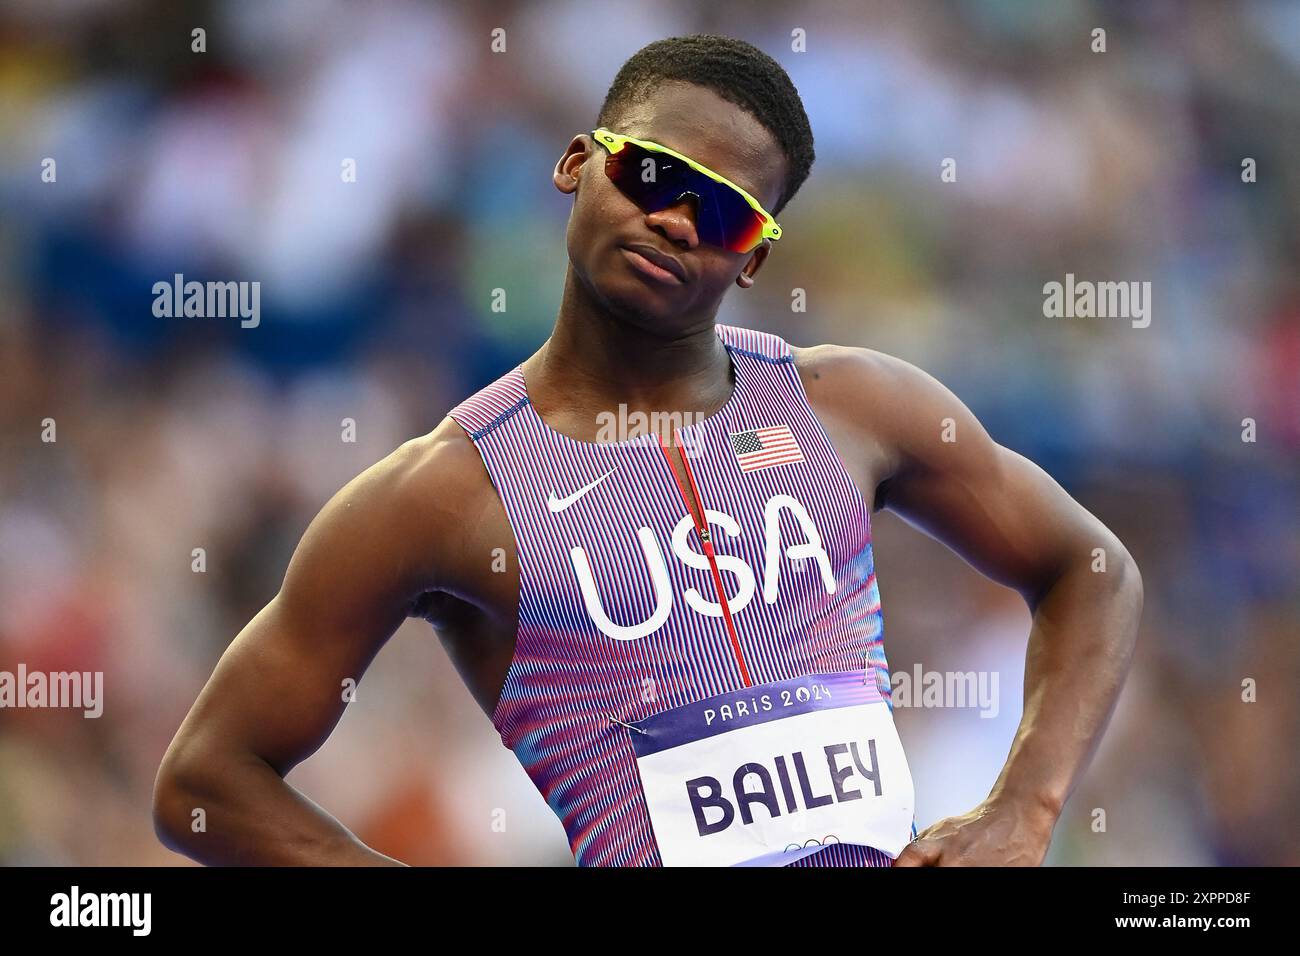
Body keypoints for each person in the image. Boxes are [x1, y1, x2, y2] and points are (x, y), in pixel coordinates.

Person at [153, 34, 1143, 867]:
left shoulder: (855, 406)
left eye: (720, 213)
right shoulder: (439, 496)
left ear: (751, 256)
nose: (672, 218)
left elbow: (1094, 568)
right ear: (578, 162)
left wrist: (1027, 804)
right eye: (653, 174)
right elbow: (204, 779)